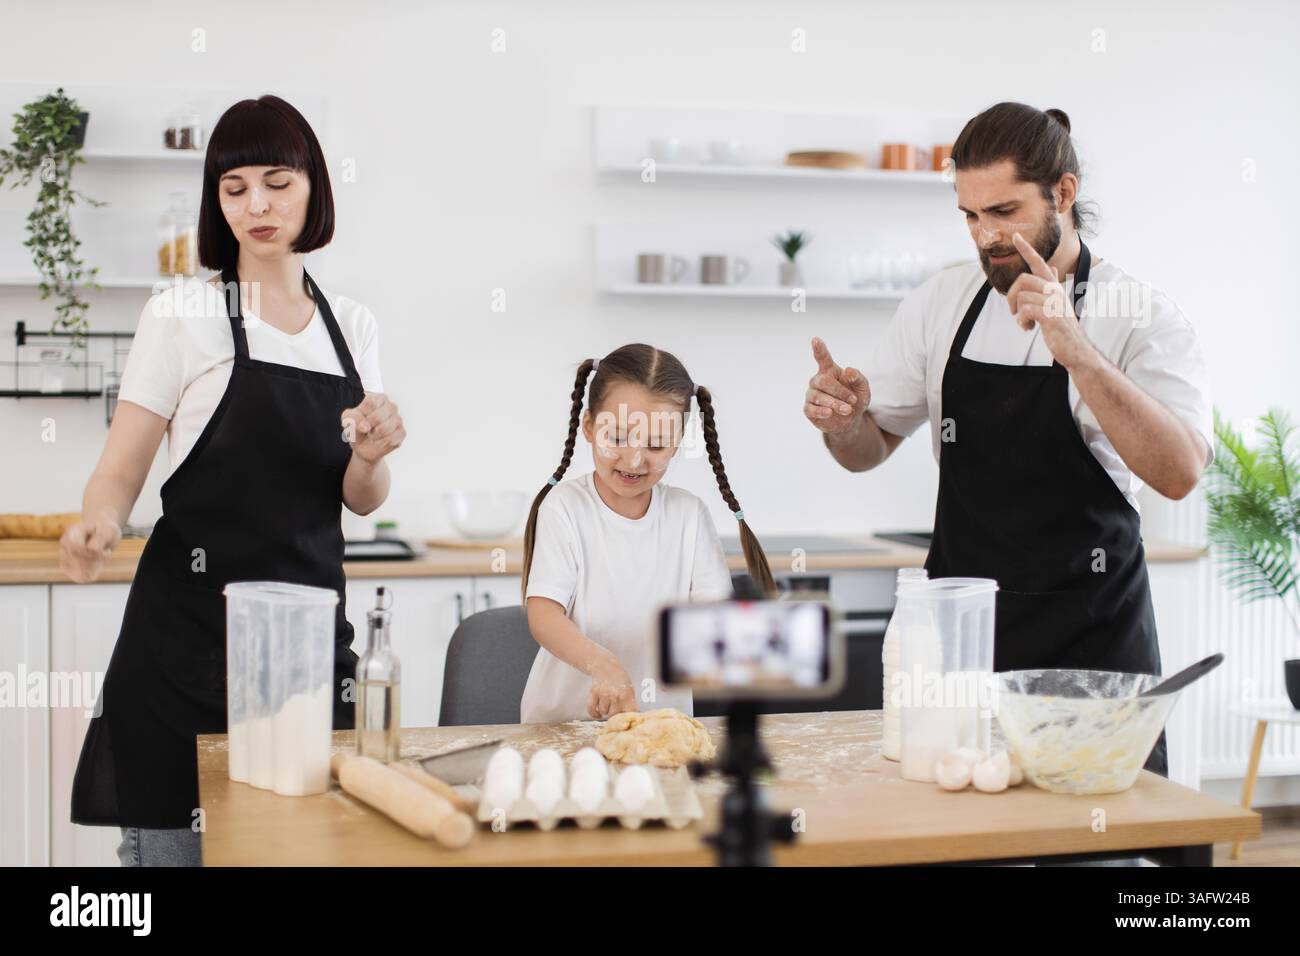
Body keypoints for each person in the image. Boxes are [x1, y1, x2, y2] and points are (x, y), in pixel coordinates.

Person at [805, 103, 1212, 776]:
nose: (985, 236)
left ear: (1064, 192)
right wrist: (844, 421)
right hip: (961, 643)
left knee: (1091, 842)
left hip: (1090, 651)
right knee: (957, 837)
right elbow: (868, 448)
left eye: (1005, 211)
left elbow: (1179, 473)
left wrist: (1077, 351)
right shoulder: (943, 302)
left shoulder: (1141, 317)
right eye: (969, 215)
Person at [61, 95, 405, 865]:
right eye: (235, 186)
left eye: (277, 182)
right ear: (217, 201)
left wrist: (375, 454)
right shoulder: (182, 313)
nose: (257, 204)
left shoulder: (351, 326)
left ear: (314, 187)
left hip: (307, 660)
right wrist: (100, 523)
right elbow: (119, 471)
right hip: (181, 655)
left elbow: (359, 496)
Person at [519, 343, 775, 723]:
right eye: (618, 437)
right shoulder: (565, 508)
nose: (634, 459)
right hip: (562, 727)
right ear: (589, 427)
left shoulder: (688, 516)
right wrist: (603, 664)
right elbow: (543, 615)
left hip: (659, 723)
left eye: (656, 444)